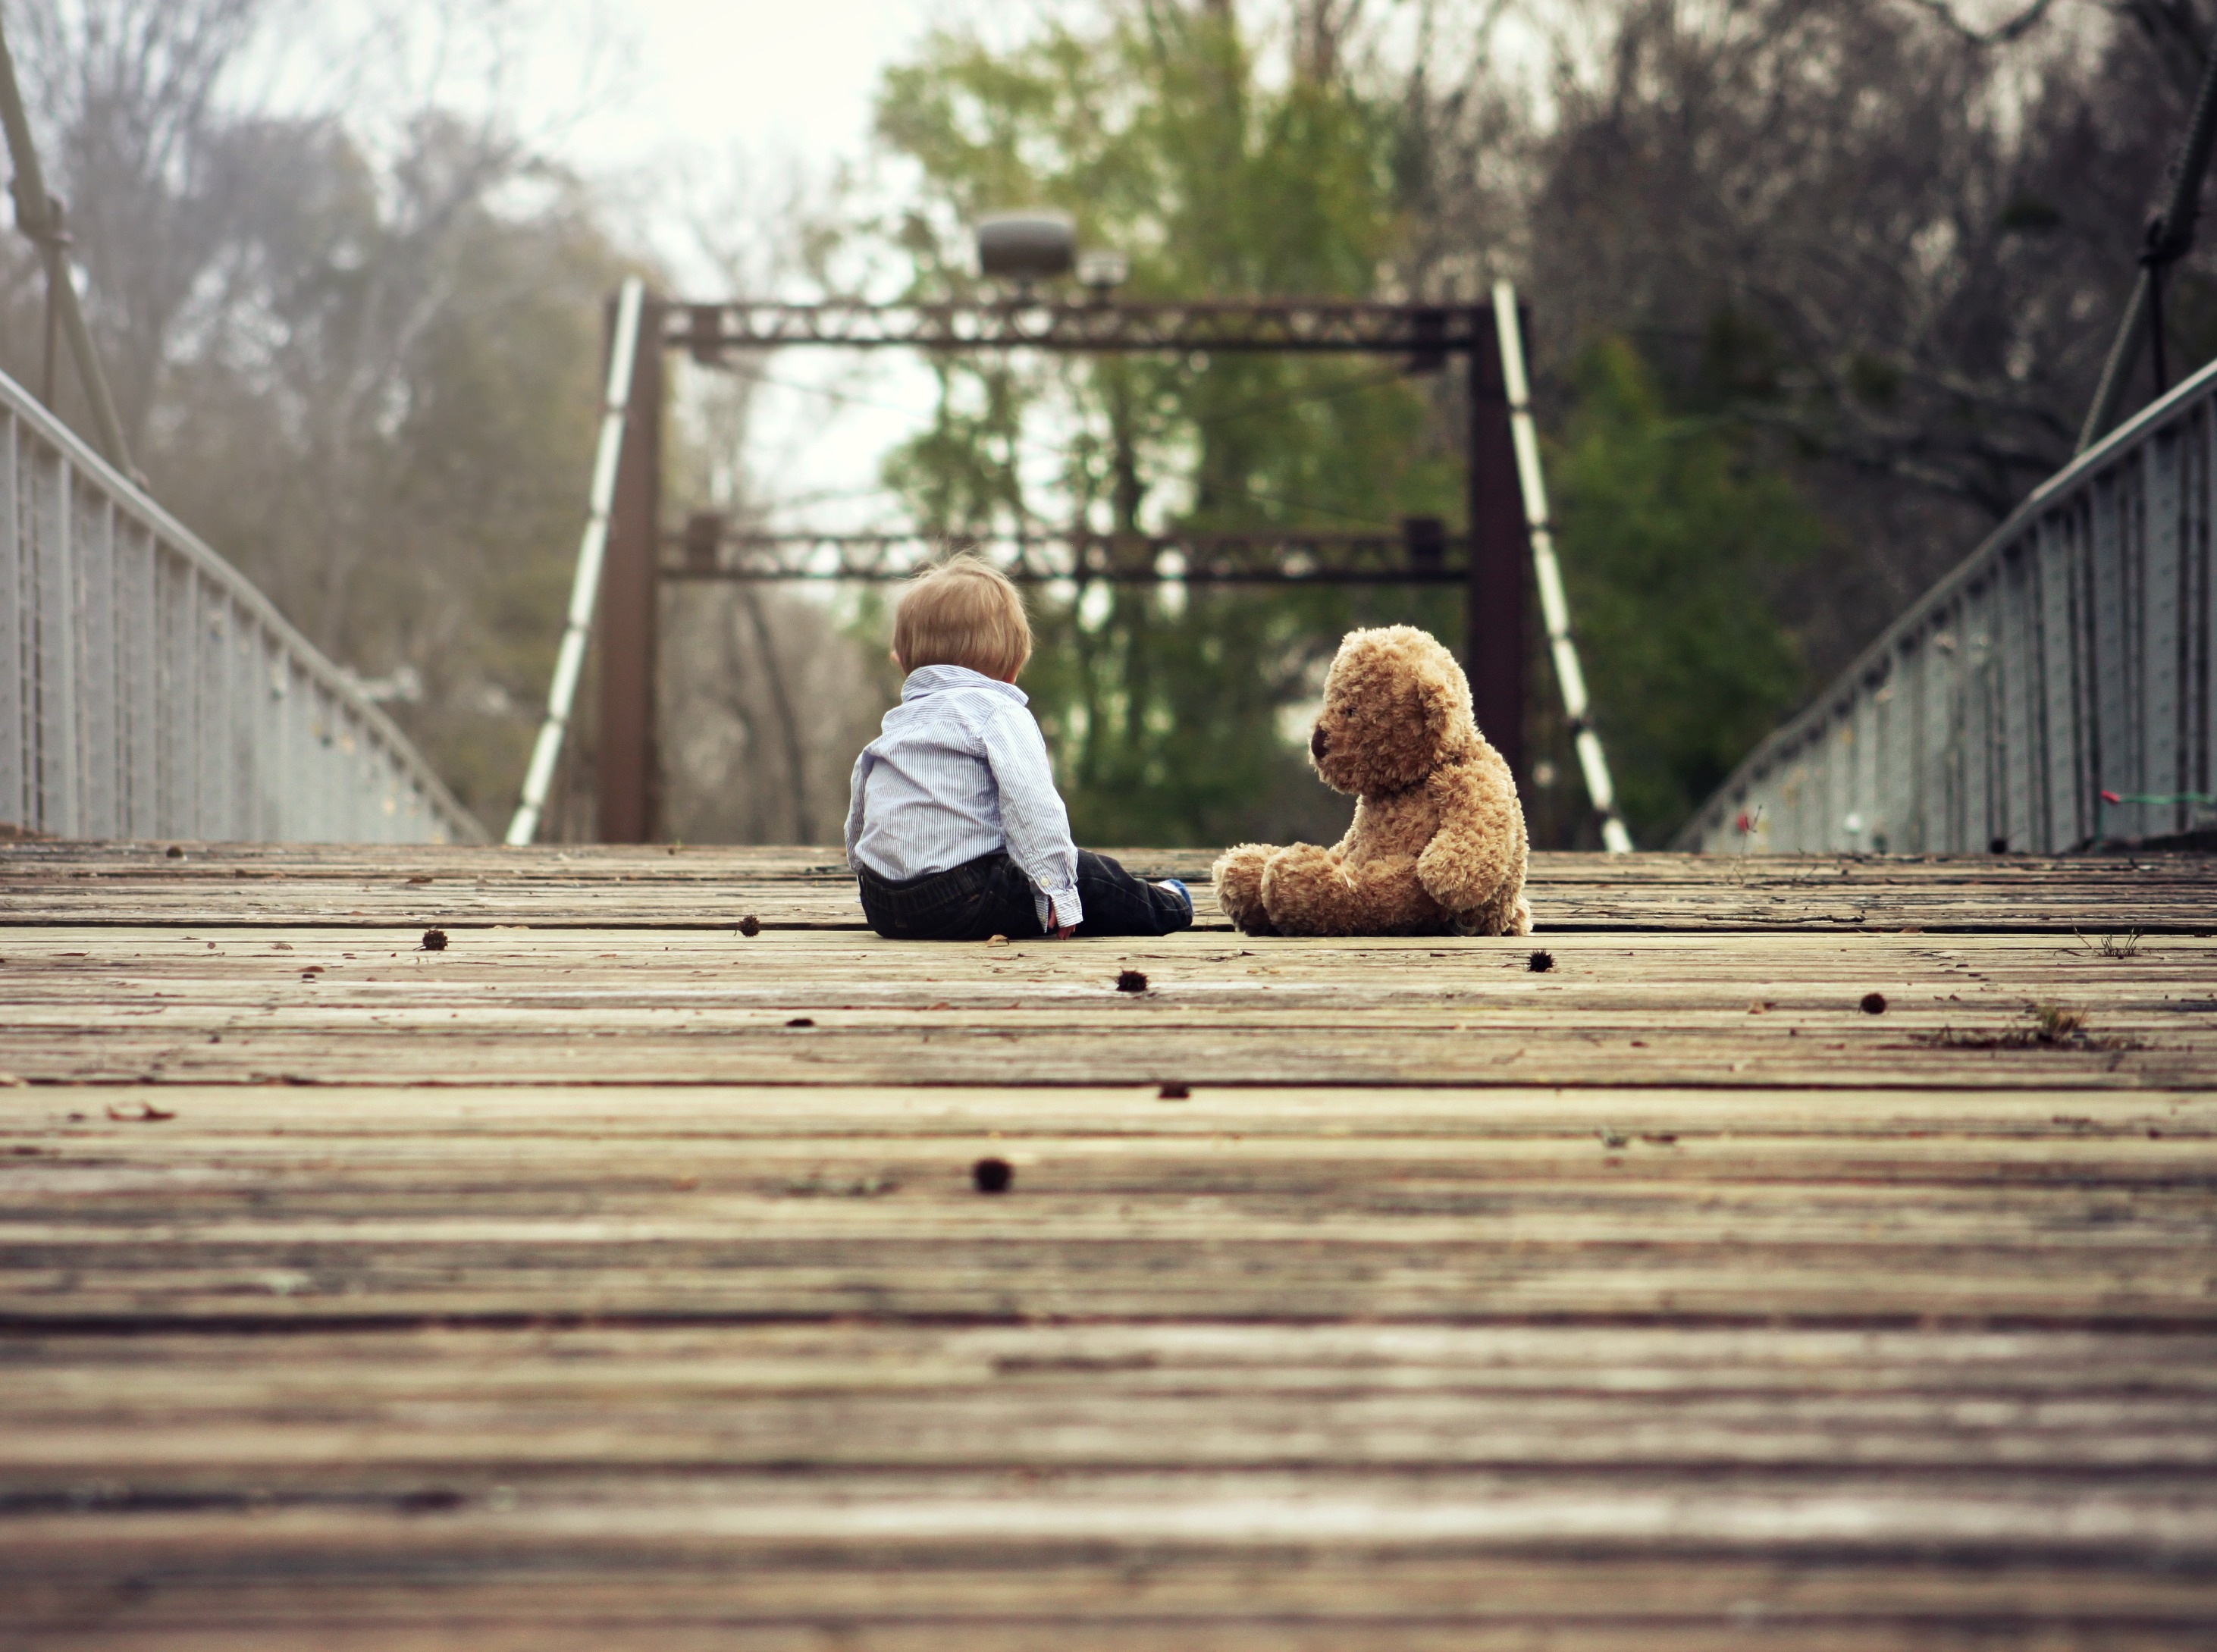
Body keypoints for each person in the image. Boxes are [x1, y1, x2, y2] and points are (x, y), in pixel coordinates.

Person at [845, 554, 1194, 942]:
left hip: (883, 906)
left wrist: (866, 870)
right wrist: (1058, 890)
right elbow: (1031, 805)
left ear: (903, 663)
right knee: (1090, 876)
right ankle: (1169, 904)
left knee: (1031, 872)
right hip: (966, 898)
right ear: (1010, 669)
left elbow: (860, 797)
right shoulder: (997, 711)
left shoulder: (899, 721)